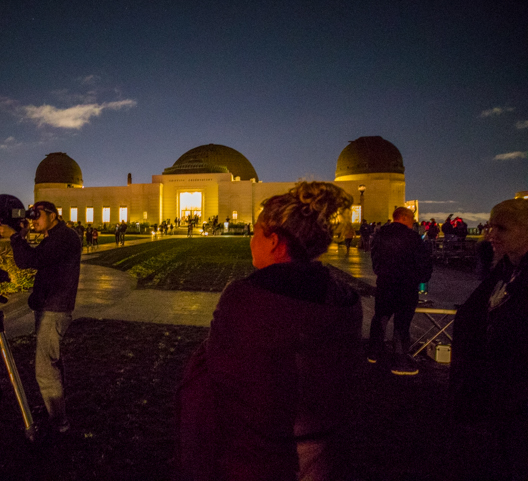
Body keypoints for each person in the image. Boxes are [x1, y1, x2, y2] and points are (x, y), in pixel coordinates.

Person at [178, 181, 362, 481]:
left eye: (255, 233)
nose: (251, 241)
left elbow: (217, 374)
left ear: (275, 242)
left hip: (255, 460)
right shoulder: (344, 302)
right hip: (323, 458)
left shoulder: (246, 299)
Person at [450, 199, 528, 479]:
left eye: (502, 228)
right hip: (498, 390)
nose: (490, 235)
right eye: (489, 226)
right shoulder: (506, 268)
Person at [0, 201, 82, 433]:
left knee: (45, 369)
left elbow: (28, 261)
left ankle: (59, 422)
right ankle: (57, 410)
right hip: (50, 307)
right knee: (52, 363)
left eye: (38, 215)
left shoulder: (64, 237)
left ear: (54, 216)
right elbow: (37, 258)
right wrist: (22, 236)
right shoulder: (56, 236)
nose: (34, 220)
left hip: (54, 310)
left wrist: (16, 237)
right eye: (32, 216)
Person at [368, 207, 433, 375]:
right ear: (404, 218)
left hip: (384, 283)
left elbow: (375, 259)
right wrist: (422, 278)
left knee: (380, 318)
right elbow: (423, 262)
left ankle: (374, 352)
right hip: (406, 286)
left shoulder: (379, 234)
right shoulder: (413, 238)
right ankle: (400, 361)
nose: (412, 224)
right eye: (411, 220)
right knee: (402, 324)